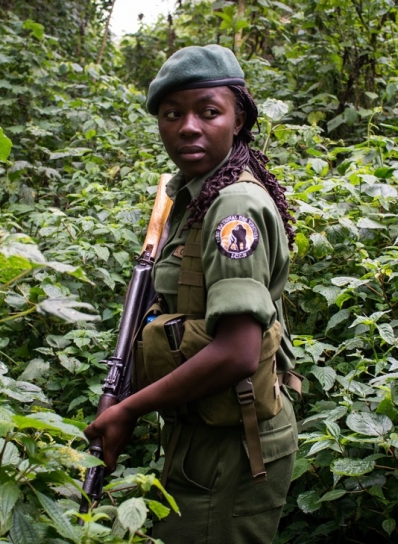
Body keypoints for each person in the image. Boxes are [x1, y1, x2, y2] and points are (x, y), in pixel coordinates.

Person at [84, 44, 299, 544]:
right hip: (203, 428)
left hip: (235, 444)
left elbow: (239, 351)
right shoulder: (193, 195)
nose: (188, 127)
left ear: (238, 117)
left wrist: (130, 409)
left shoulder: (233, 207)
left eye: (208, 112)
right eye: (172, 114)